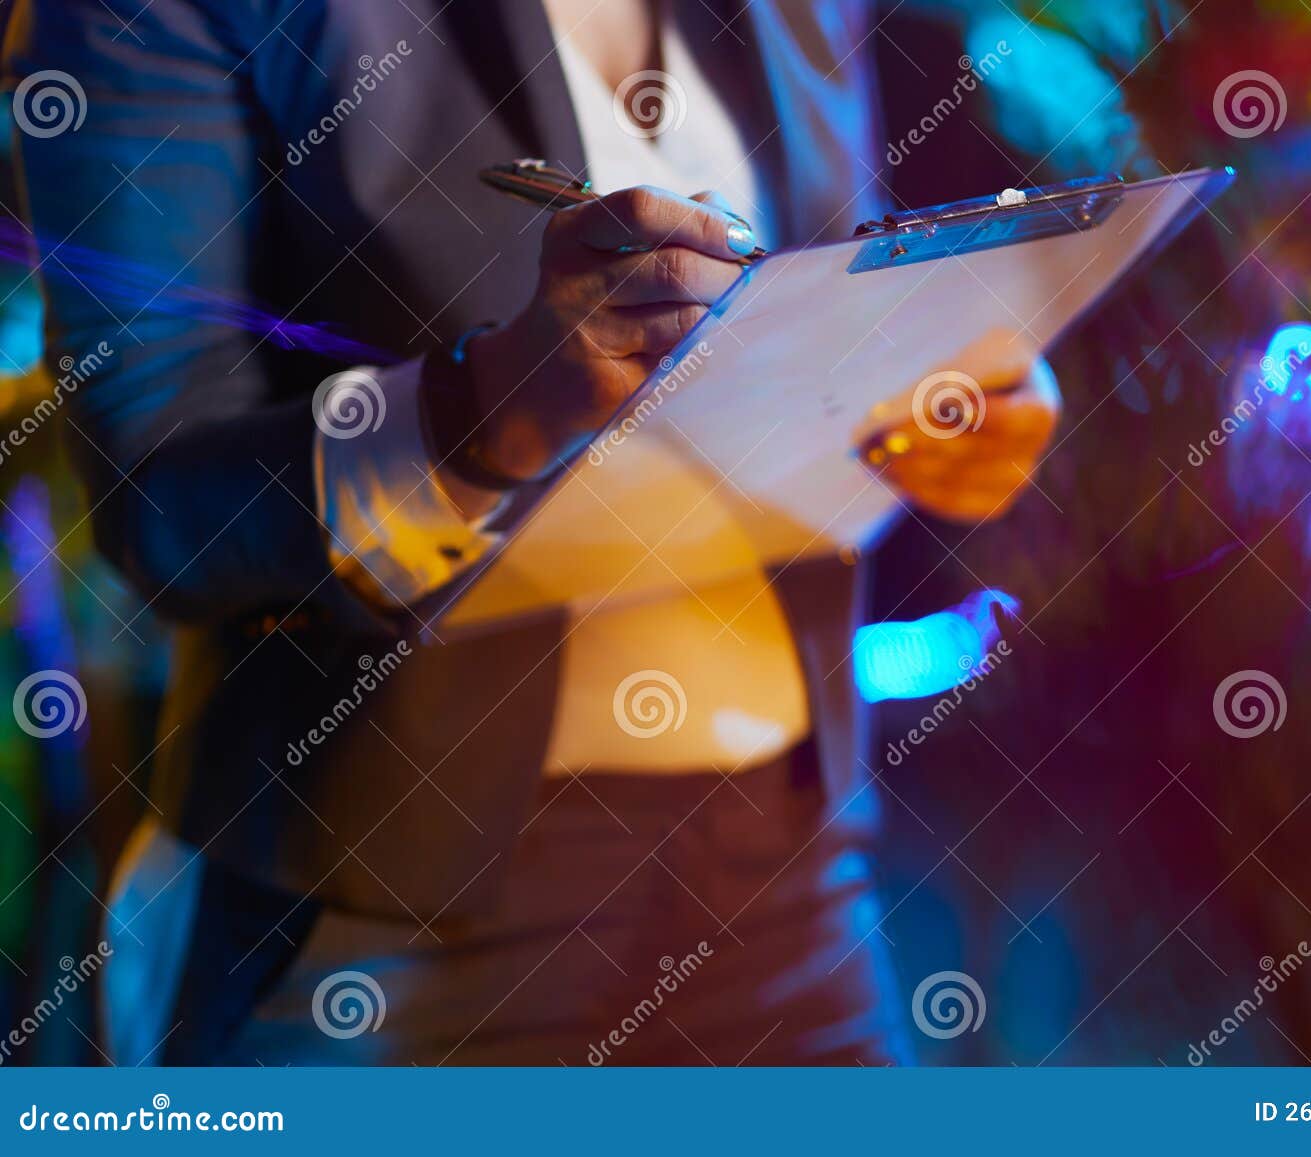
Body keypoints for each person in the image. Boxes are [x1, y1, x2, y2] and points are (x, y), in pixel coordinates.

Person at [6, 0, 1058, 1063]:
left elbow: (837, 296)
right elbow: (161, 509)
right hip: (385, 904)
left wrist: (966, 382)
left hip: (792, 859)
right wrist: (486, 412)